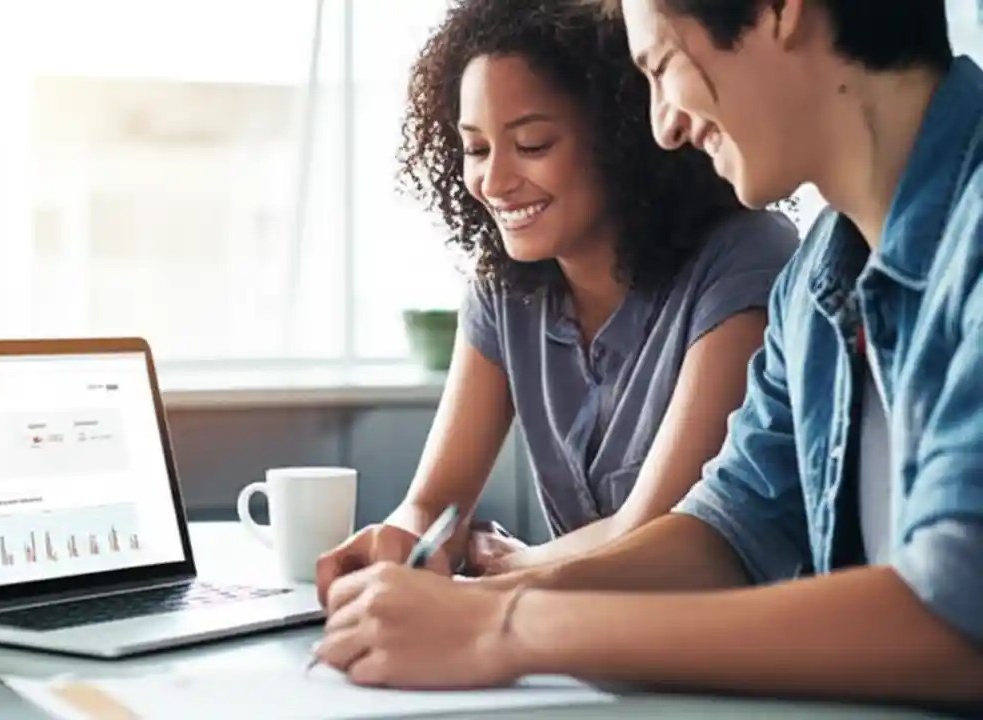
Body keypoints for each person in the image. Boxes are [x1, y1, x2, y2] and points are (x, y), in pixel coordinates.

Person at [313, 0, 983, 703]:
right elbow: (726, 530)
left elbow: (958, 615)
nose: (662, 125)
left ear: (781, 12)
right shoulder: (813, 287)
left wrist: (512, 627)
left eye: (663, 65)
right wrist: (475, 604)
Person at [315, 0, 797, 595]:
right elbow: (435, 505)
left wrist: (506, 570)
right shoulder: (503, 292)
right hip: (582, 647)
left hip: (720, 650)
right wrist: (402, 541)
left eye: (533, 144)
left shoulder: (743, 259)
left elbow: (657, 530)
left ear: (622, 140)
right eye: (477, 148)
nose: (493, 182)